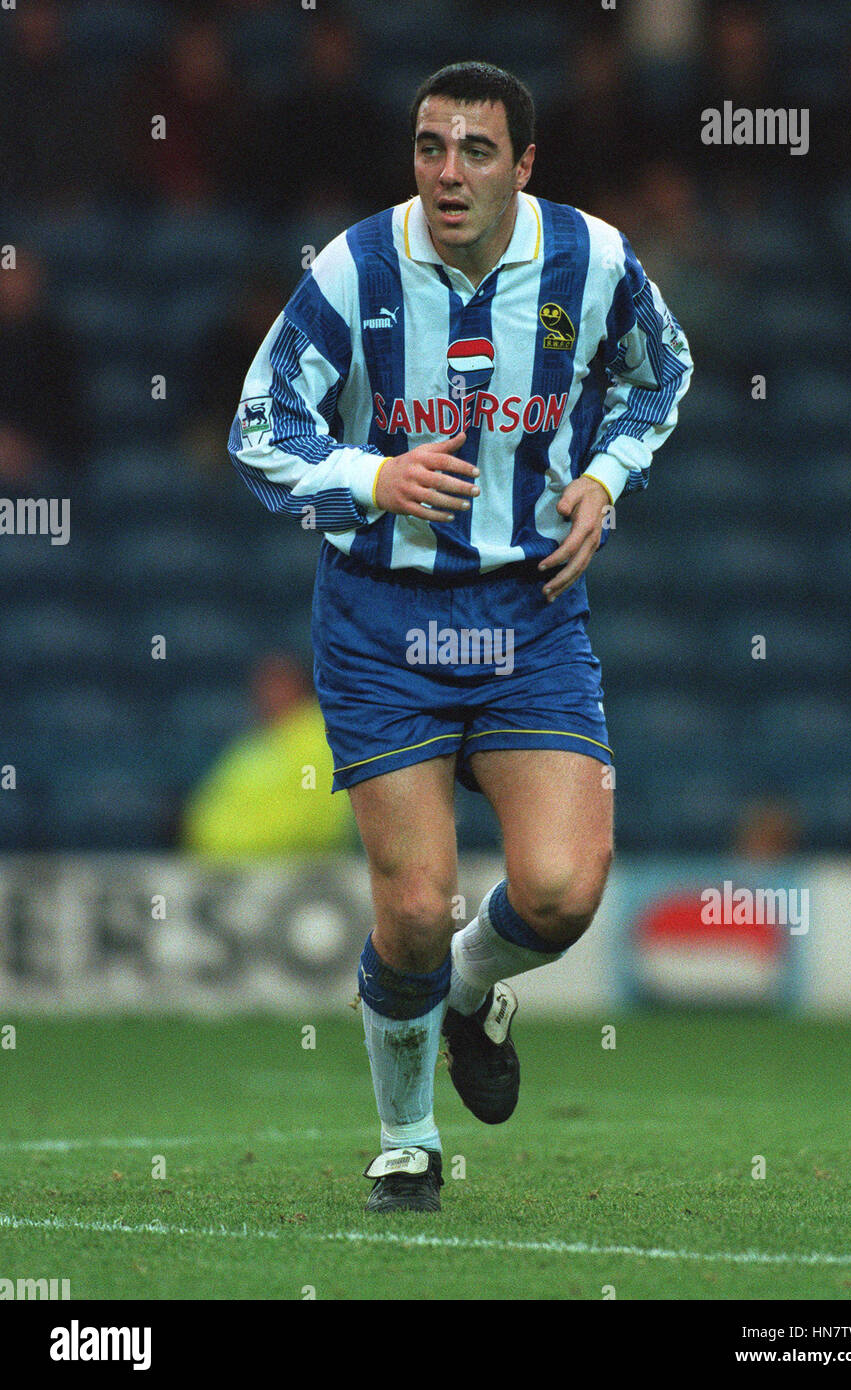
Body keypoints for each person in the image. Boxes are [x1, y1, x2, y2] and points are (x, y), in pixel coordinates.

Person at [229, 62, 693, 1212]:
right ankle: (407, 1139)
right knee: (411, 905)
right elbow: (257, 425)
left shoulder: (590, 260)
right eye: (430, 147)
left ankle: (473, 988)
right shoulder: (355, 269)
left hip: (527, 611)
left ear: (522, 165)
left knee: (561, 889)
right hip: (382, 619)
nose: (447, 172)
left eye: (475, 151)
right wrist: (371, 473)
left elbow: (662, 374)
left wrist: (603, 474)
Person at [180, 654, 354, 858]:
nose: (267, 694)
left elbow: (316, 823)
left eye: (278, 684)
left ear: (300, 686)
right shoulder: (252, 744)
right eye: (262, 685)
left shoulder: (321, 741)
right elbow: (205, 815)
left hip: (298, 872)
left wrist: (232, 843)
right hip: (233, 868)